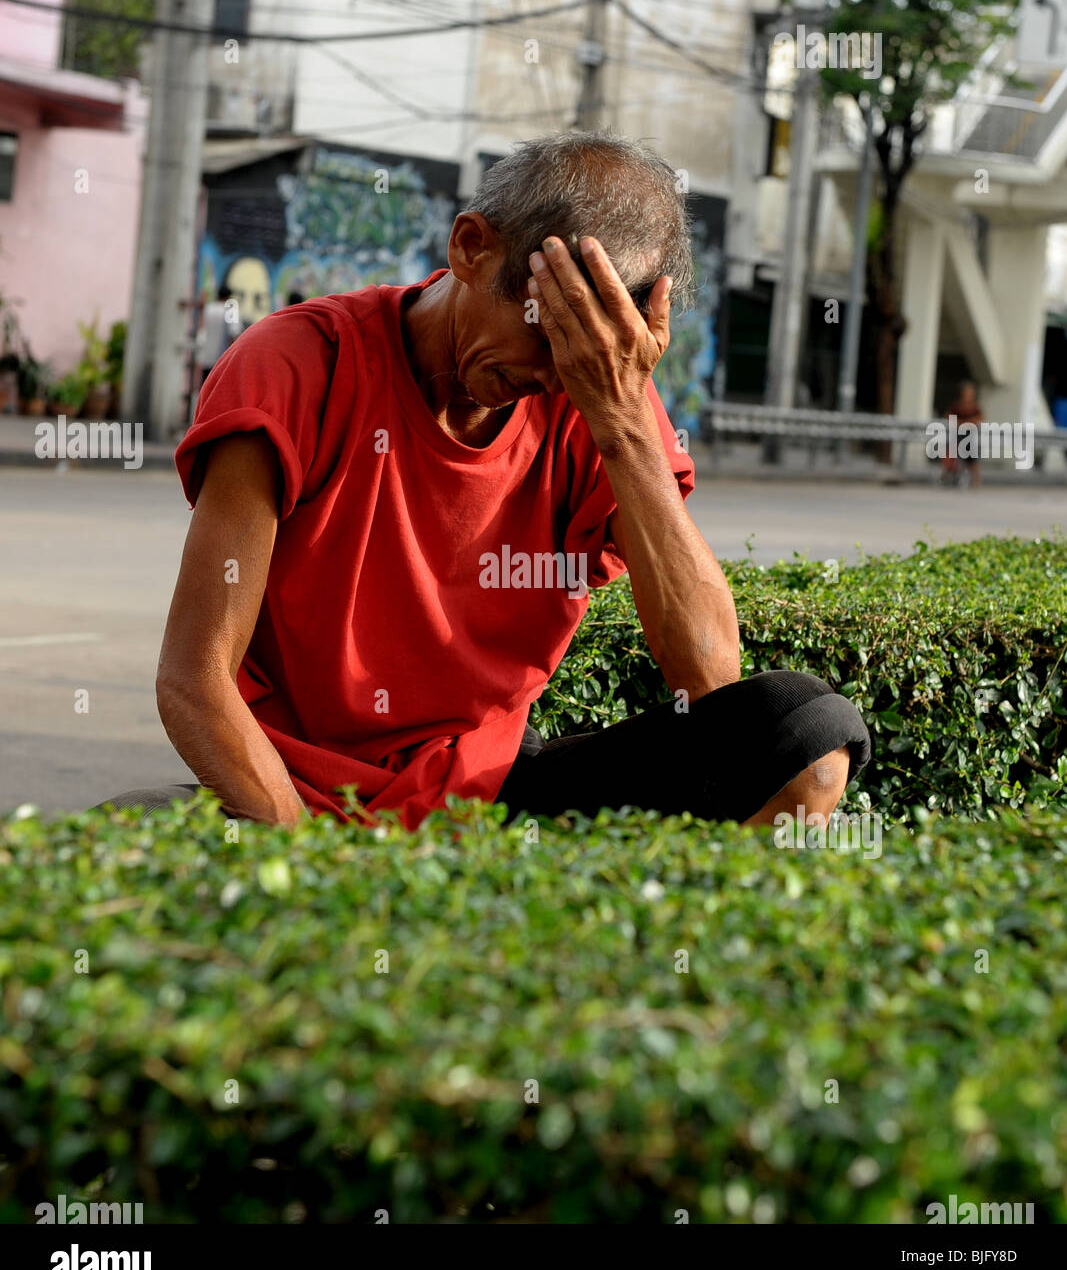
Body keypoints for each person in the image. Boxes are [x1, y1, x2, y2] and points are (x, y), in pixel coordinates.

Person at [96, 132, 869, 831]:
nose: (547, 374)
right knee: (105, 845)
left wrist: (625, 419)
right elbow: (194, 679)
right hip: (293, 795)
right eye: (544, 329)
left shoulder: (593, 392)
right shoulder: (298, 364)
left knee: (798, 734)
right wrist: (312, 873)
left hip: (489, 795)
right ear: (470, 247)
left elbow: (708, 678)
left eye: (580, 349)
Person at [941, 379, 984, 488]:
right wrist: (962, 423)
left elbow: (980, 419)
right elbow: (949, 417)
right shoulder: (957, 406)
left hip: (970, 436)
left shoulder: (975, 407)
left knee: (972, 460)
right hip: (957, 435)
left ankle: (976, 482)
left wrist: (967, 422)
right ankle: (945, 478)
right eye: (966, 392)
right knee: (951, 456)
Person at [194, 284, 239, 389]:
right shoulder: (230, 311)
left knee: (205, 388)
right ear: (229, 297)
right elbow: (233, 334)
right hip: (221, 360)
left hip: (206, 356)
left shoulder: (208, 309)